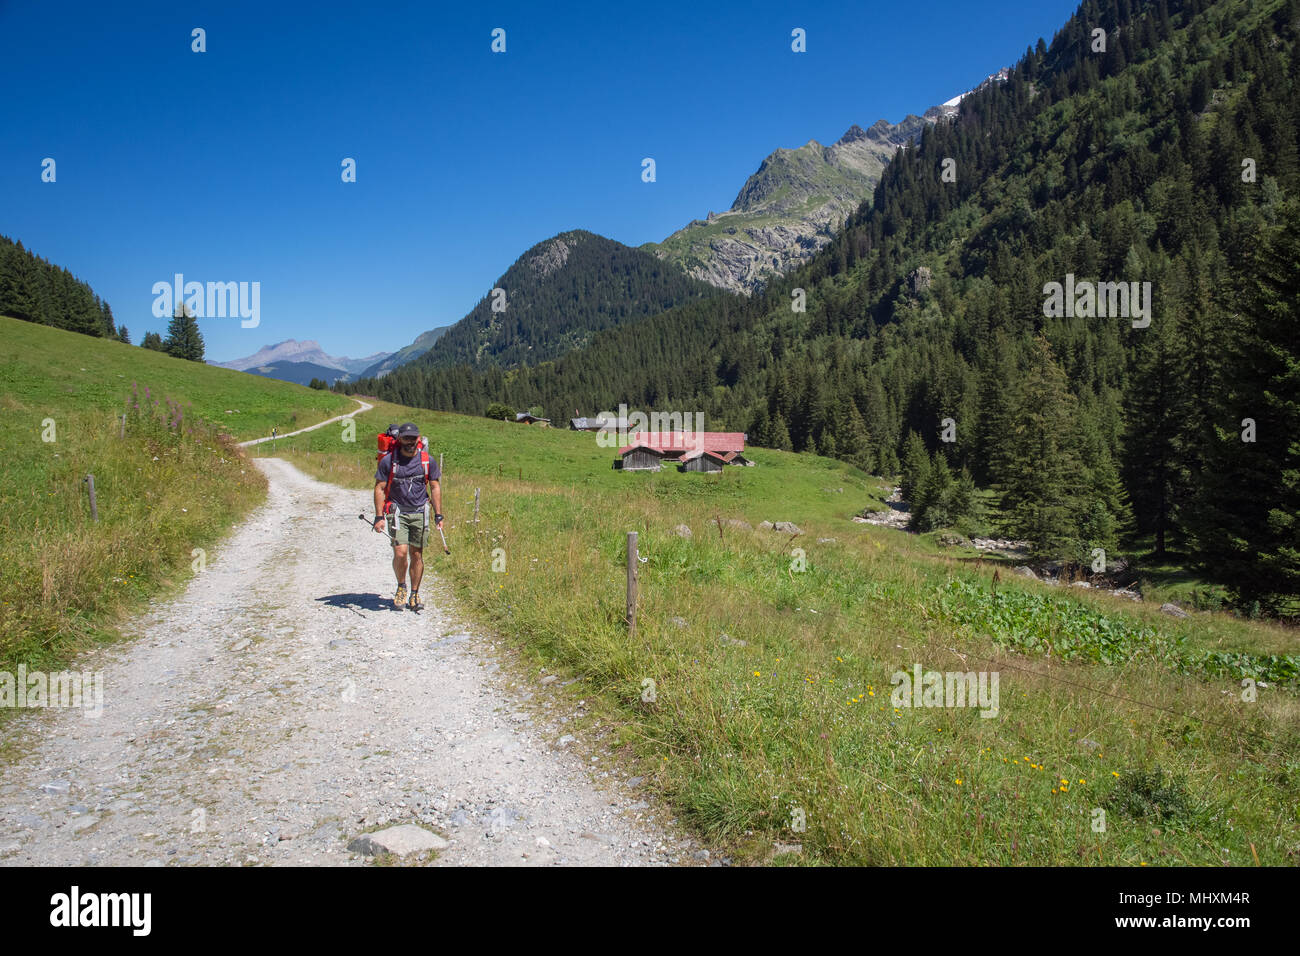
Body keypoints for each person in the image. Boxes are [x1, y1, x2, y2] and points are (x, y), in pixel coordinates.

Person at [372, 422, 443, 610]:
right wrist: (379, 517)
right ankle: (401, 586)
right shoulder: (389, 461)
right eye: (406, 438)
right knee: (400, 552)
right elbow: (379, 488)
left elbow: (434, 487)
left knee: (417, 554)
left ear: (418, 439)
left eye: (413, 438)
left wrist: (439, 514)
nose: (410, 442)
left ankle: (415, 594)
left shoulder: (428, 461)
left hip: (420, 512)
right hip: (397, 513)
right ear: (399, 439)